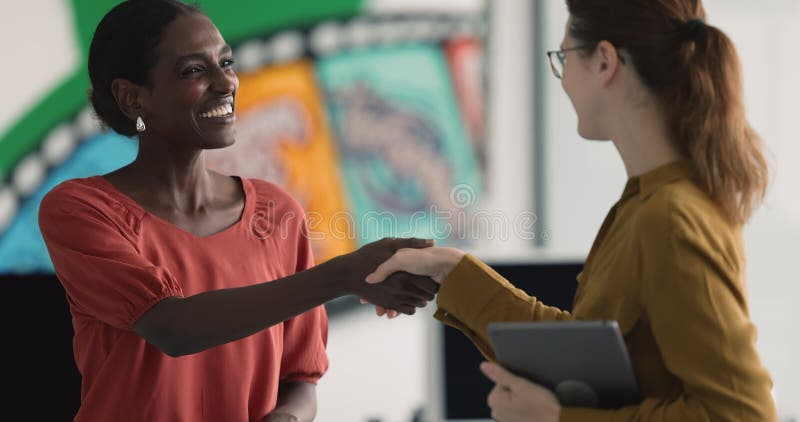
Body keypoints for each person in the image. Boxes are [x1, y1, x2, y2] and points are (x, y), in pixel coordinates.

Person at [364, 0, 778, 420]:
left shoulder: (671, 218)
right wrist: (452, 270)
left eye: (564, 57)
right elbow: (586, 354)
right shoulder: (644, 203)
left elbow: (742, 414)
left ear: (604, 62)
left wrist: (557, 418)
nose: (561, 80)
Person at [37, 1, 438, 421]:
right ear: (132, 97)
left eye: (226, 62)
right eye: (194, 70)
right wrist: (342, 274)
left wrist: (287, 417)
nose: (225, 82)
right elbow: (172, 327)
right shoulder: (80, 210)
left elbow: (300, 379)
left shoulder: (278, 212)